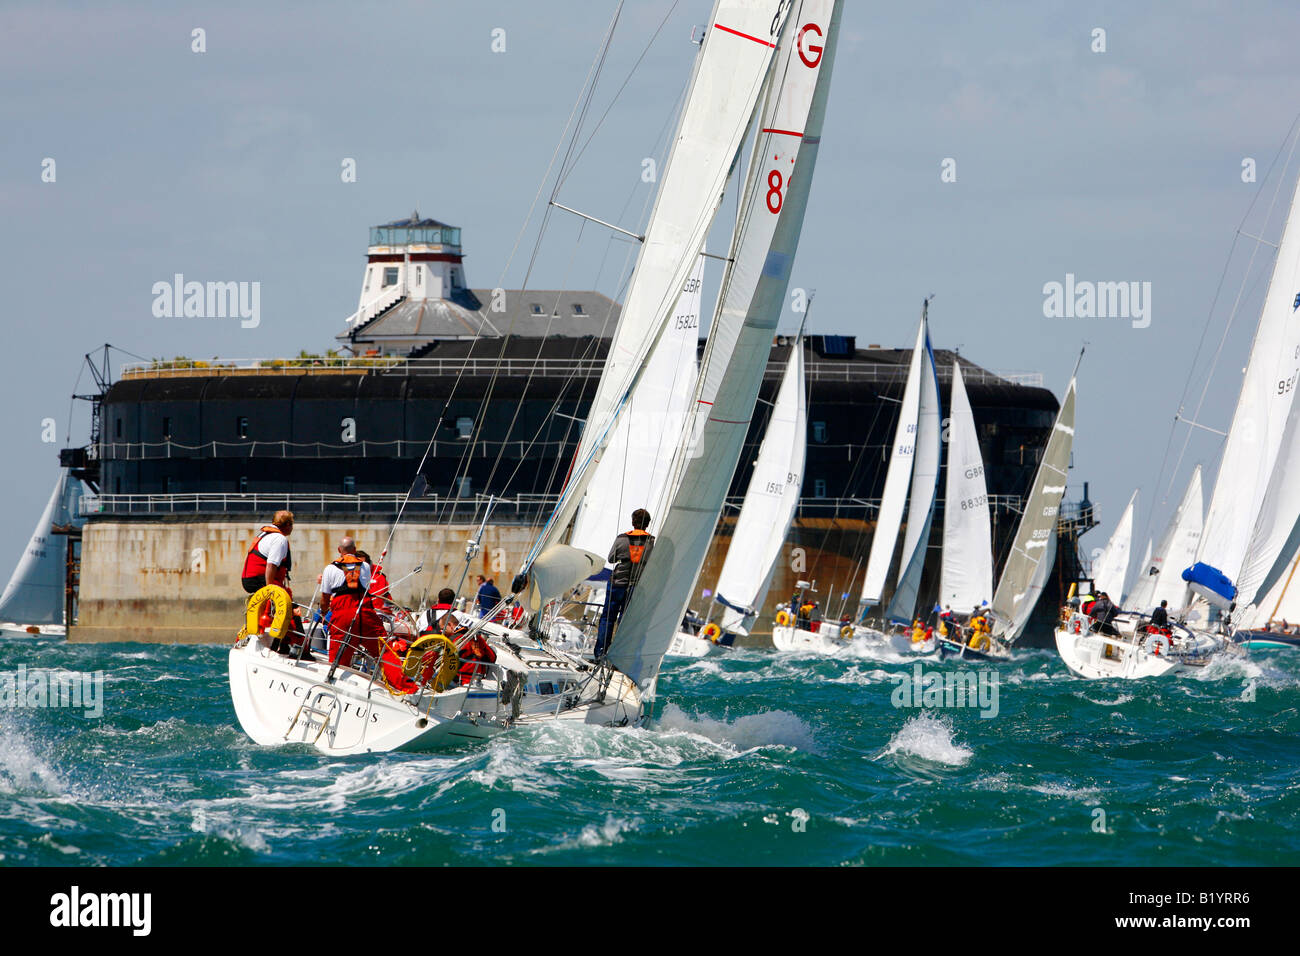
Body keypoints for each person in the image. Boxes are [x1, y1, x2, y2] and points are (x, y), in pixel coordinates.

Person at [595, 508, 655, 657]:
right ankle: (619, 656)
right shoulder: (651, 541)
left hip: (617, 584)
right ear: (647, 524)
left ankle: (600, 653)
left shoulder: (622, 538)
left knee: (608, 618)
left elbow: (611, 559)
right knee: (626, 622)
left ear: (633, 522)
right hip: (636, 586)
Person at [321, 551, 384, 670]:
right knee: (385, 654)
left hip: (343, 618)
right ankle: (404, 684)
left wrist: (323, 612)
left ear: (339, 550)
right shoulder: (365, 567)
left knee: (338, 661)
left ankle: (334, 676)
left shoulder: (331, 568)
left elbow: (325, 599)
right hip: (366, 615)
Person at [240, 511, 294, 594]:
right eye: (292, 524)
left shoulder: (265, 534)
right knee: (287, 598)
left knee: (288, 596)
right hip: (259, 579)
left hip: (249, 579)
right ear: (287, 524)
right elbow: (271, 565)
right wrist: (270, 591)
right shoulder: (279, 539)